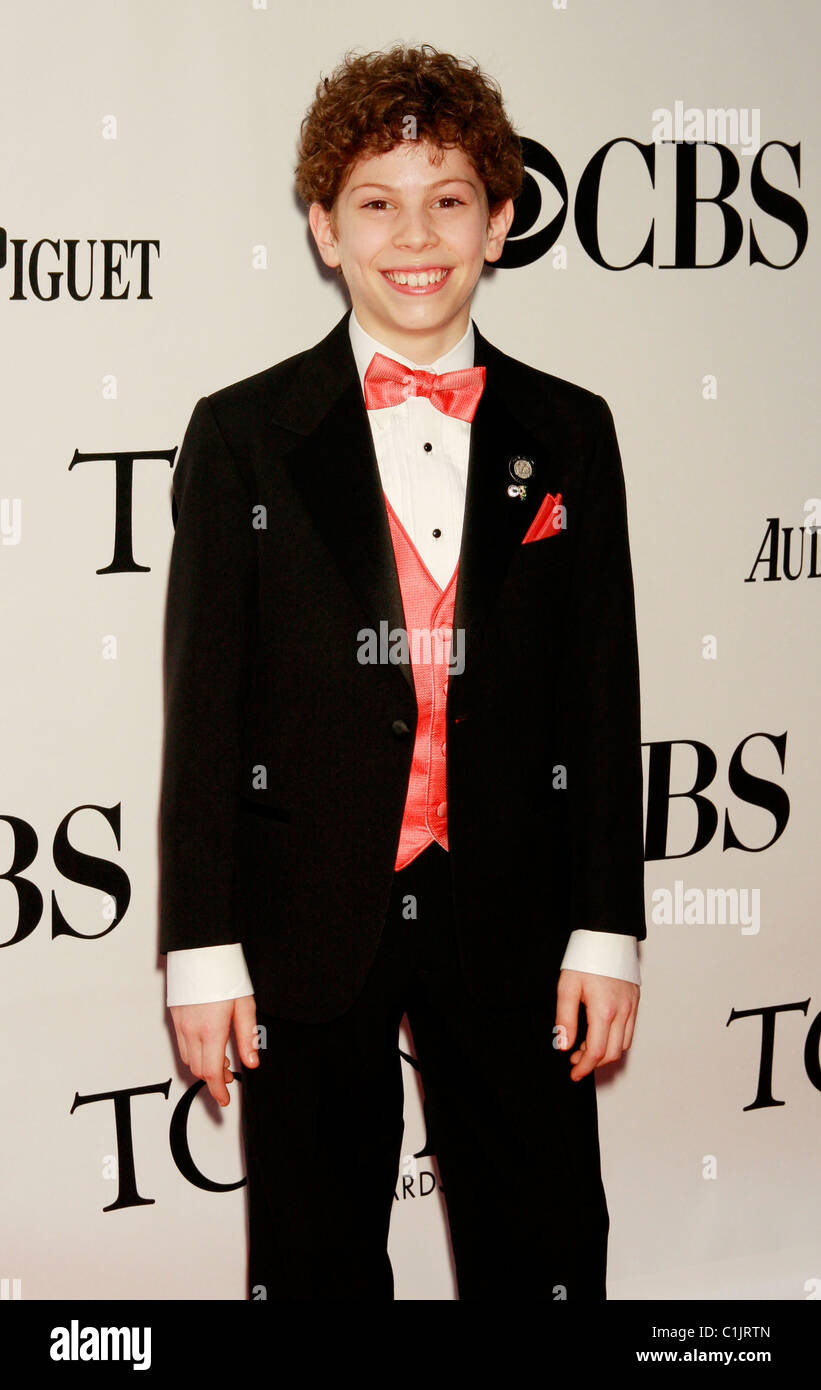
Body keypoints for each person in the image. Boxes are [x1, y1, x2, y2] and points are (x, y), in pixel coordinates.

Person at [159, 42, 646, 1301]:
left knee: (542, 1242)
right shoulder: (242, 434)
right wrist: (201, 948)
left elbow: (603, 692)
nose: (412, 234)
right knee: (316, 1255)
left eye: (448, 199)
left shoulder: (570, 430)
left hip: (516, 911)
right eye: (375, 201)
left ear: (498, 220)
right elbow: (204, 708)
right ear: (324, 228)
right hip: (306, 904)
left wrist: (607, 925)